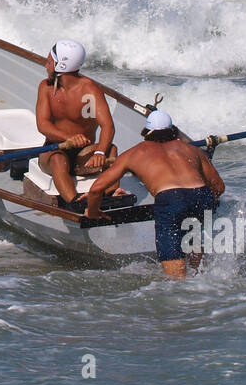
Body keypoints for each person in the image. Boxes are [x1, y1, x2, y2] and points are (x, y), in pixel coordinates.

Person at [84, 110, 225, 280]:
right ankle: (199, 275)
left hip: (170, 199)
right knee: (191, 235)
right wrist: (203, 204)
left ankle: (184, 290)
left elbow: (96, 190)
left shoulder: (133, 153)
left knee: (176, 274)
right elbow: (218, 187)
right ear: (173, 130)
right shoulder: (191, 149)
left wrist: (92, 212)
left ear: (145, 132)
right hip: (201, 196)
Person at [35, 39, 117, 208]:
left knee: (111, 150)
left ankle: (113, 196)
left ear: (61, 66)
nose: (46, 65)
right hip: (54, 150)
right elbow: (42, 125)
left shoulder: (90, 90)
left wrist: (100, 153)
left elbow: (108, 125)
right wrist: (68, 138)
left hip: (83, 155)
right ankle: (75, 204)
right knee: (58, 158)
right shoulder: (45, 87)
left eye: (49, 61)